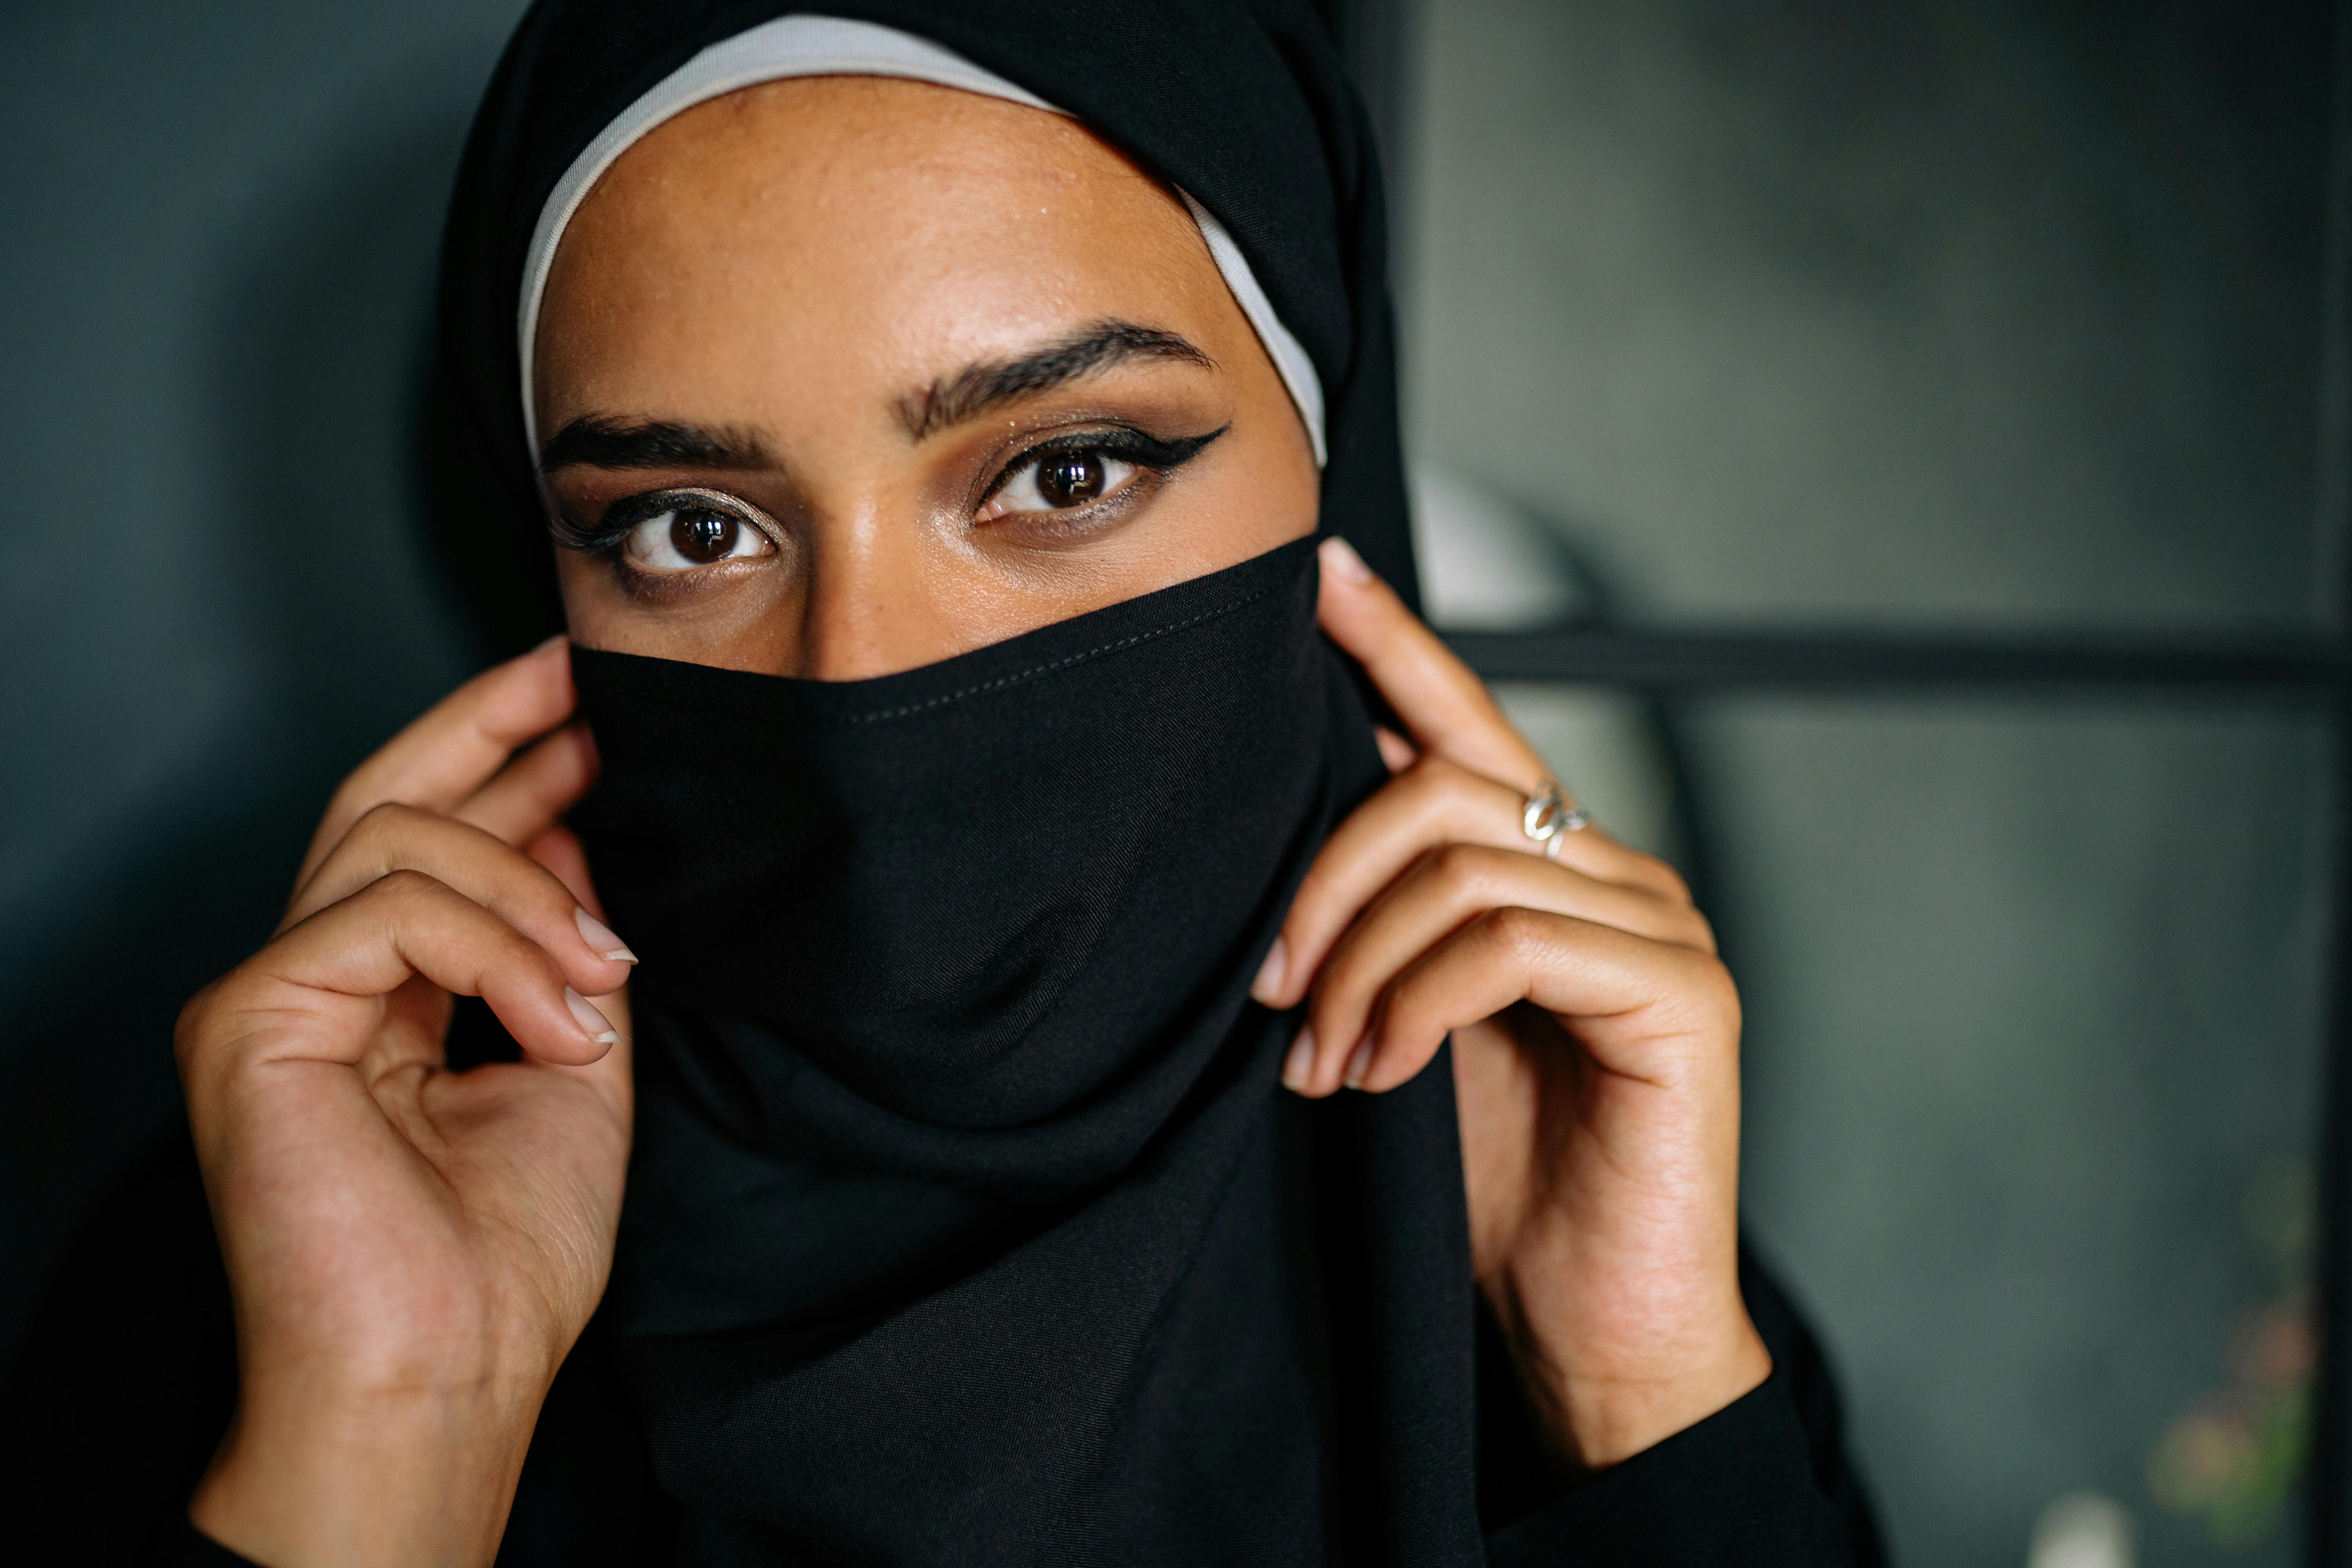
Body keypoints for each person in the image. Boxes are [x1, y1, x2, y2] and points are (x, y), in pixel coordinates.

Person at [5, 4, 1884, 1563]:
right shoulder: (252, 1300)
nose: (863, 679)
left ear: (1334, 482)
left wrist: (1636, 1398)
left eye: (1062, 475)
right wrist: (388, 1438)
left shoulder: (1597, 1296)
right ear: (538, 578)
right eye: (689, 523)